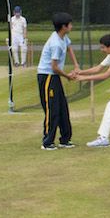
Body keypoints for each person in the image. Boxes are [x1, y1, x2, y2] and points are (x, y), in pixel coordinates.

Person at [38, 11, 82, 151]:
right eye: (70, 24)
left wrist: (76, 65)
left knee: (63, 107)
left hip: (54, 77)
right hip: (48, 77)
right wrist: (68, 76)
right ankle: (47, 142)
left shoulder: (63, 37)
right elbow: (54, 67)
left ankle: (65, 139)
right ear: (64, 26)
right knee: (53, 110)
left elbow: (69, 48)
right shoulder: (55, 43)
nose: (72, 26)